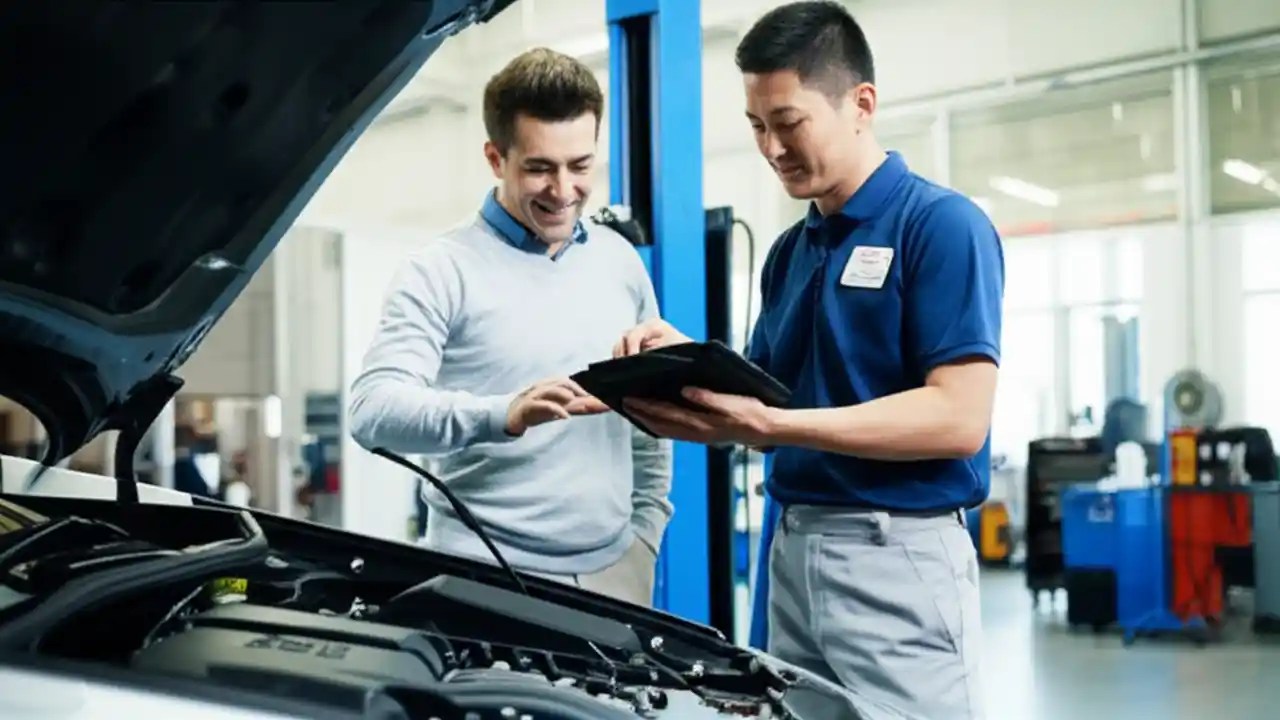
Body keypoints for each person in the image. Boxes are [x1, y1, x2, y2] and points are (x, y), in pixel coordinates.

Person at [613, 3, 1003, 718]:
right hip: (793, 543)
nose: (772, 147)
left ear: (861, 105)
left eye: (788, 123)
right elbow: (768, 398)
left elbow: (957, 419)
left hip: (897, 553)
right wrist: (684, 365)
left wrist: (775, 430)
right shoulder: (794, 251)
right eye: (757, 127)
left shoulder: (942, 226)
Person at [348, 48, 672, 608]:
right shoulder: (440, 270)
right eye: (540, 168)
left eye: (580, 165)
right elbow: (372, 412)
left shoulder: (620, 261)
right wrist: (502, 414)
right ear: (496, 158)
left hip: (616, 573)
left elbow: (647, 412)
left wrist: (646, 530)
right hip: (484, 574)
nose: (563, 190)